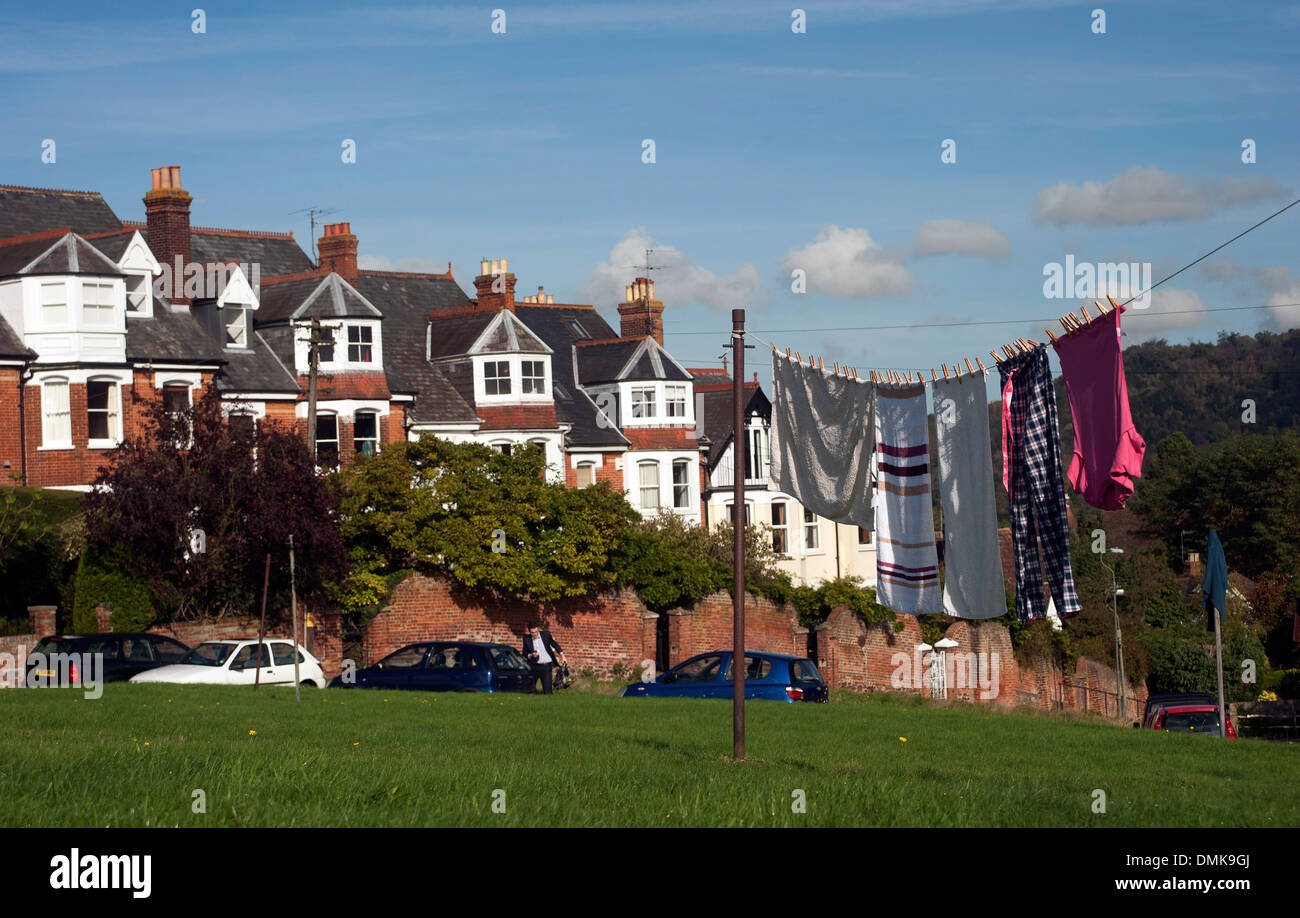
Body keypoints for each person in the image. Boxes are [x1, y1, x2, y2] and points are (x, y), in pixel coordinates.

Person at [522, 623, 566, 694]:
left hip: (546, 667)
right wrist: (531, 655)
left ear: (538, 629)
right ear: (530, 632)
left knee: (548, 692)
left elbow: (555, 644)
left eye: (536, 632)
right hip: (534, 666)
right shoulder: (526, 639)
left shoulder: (546, 635)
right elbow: (524, 653)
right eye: (532, 633)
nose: (535, 634)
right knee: (529, 691)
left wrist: (562, 655)